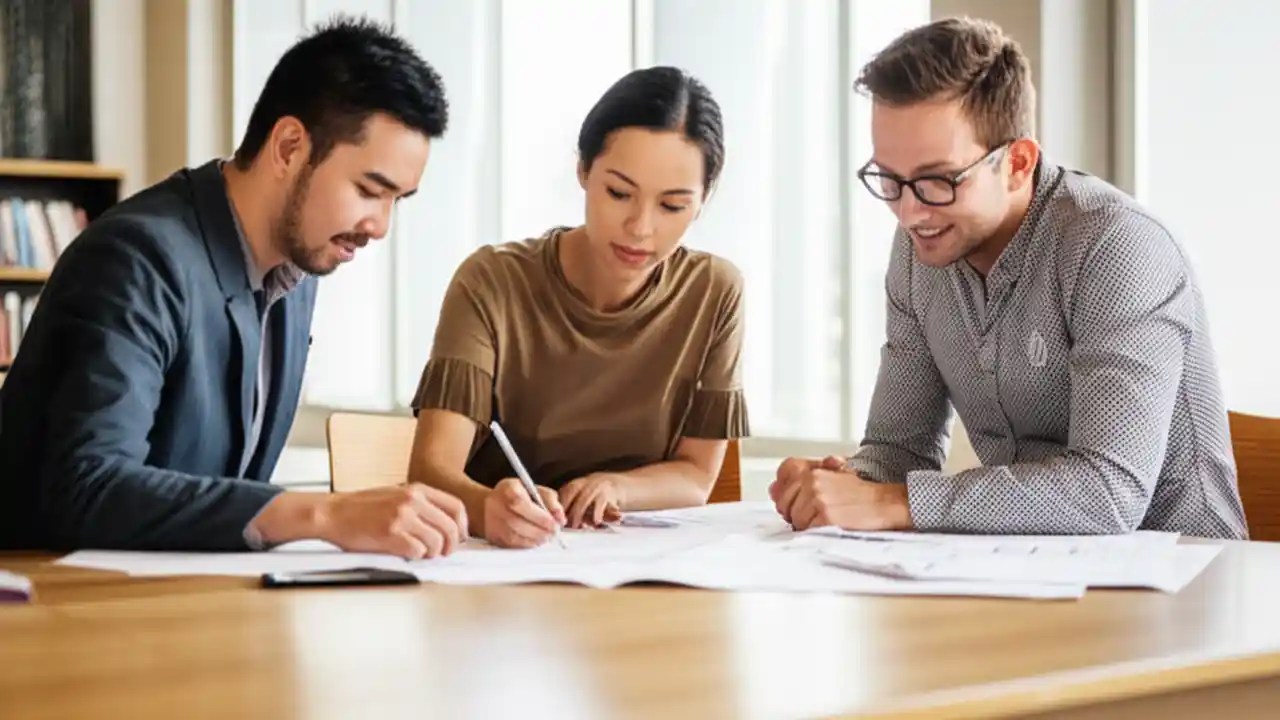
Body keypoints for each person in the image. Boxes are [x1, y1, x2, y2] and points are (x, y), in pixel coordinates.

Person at [0, 18, 469, 557]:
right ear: (290, 146)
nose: (380, 226)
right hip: (61, 606)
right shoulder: (136, 257)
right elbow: (88, 486)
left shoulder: (299, 270)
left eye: (397, 201)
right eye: (369, 190)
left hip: (190, 599)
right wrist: (322, 513)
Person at [771, 17, 1246, 539]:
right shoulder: (919, 249)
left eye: (937, 181)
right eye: (889, 179)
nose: (909, 213)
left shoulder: (1117, 246)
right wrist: (842, 485)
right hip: (1017, 573)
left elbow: (1108, 494)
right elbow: (899, 449)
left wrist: (891, 501)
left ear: (1018, 163)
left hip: (1177, 580)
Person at [408, 66, 749, 548]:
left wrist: (616, 487)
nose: (640, 227)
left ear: (703, 200)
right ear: (583, 170)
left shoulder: (715, 291)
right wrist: (487, 509)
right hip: (496, 570)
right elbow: (431, 471)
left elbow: (697, 476)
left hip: (633, 568)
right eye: (618, 193)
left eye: (672, 206)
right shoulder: (491, 282)